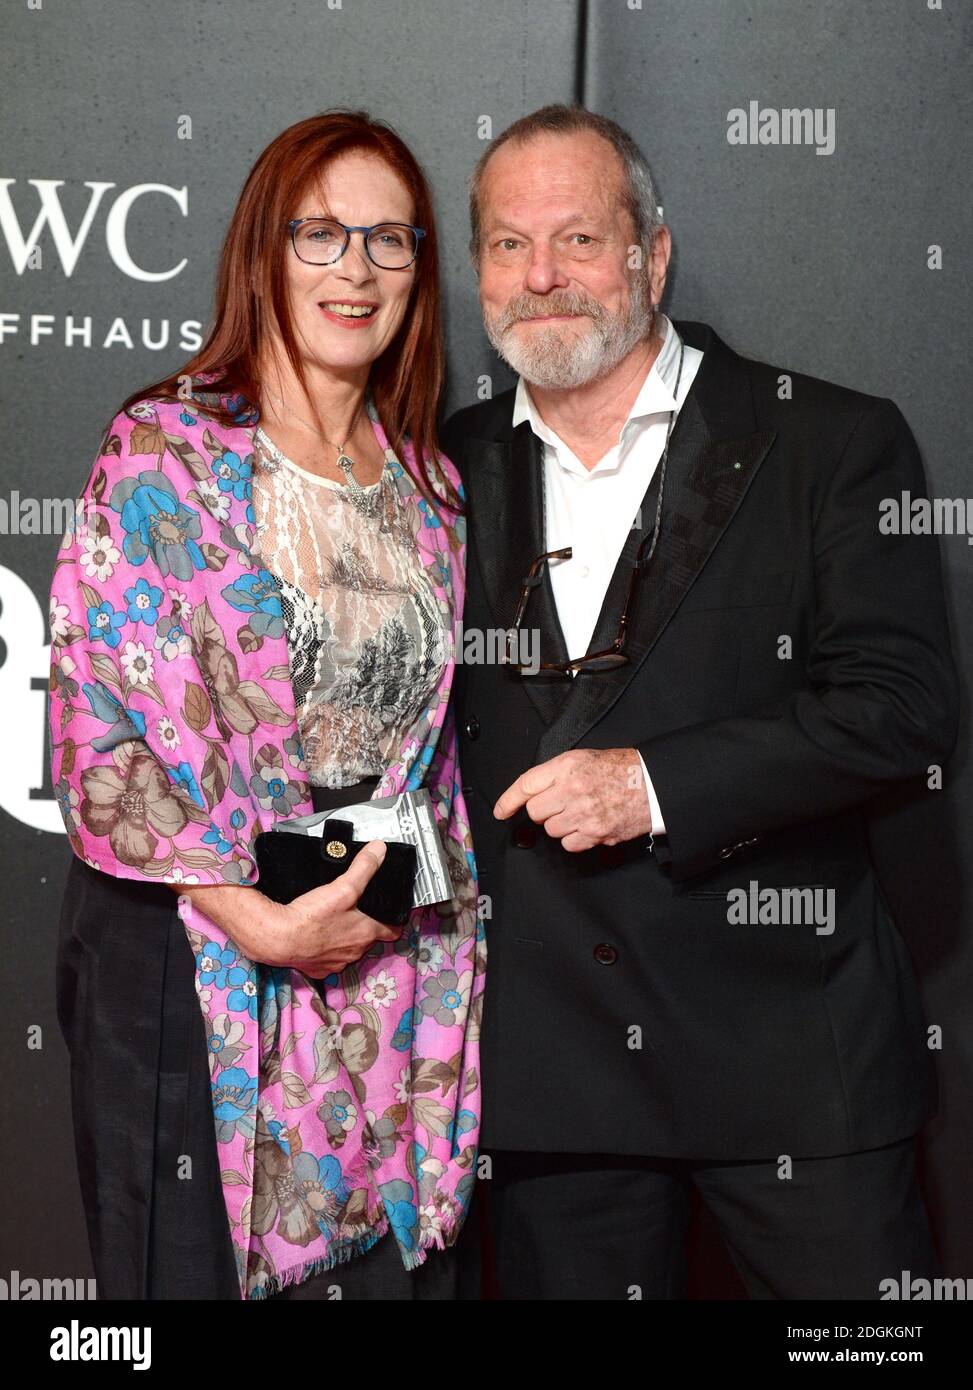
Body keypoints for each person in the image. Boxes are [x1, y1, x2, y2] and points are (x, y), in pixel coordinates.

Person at [442, 104, 958, 1300]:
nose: (541, 275)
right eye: (509, 245)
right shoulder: (436, 466)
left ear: (653, 254)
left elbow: (900, 707)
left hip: (794, 1063)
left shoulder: (829, 440)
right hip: (551, 1082)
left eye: (578, 238)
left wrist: (653, 784)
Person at [51, 109, 483, 1301]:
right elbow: (98, 718)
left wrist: (408, 912)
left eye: (389, 239)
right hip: (188, 951)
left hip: (378, 956)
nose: (357, 268)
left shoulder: (433, 486)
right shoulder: (163, 451)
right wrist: (248, 914)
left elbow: (430, 756)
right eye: (321, 233)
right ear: (264, 252)